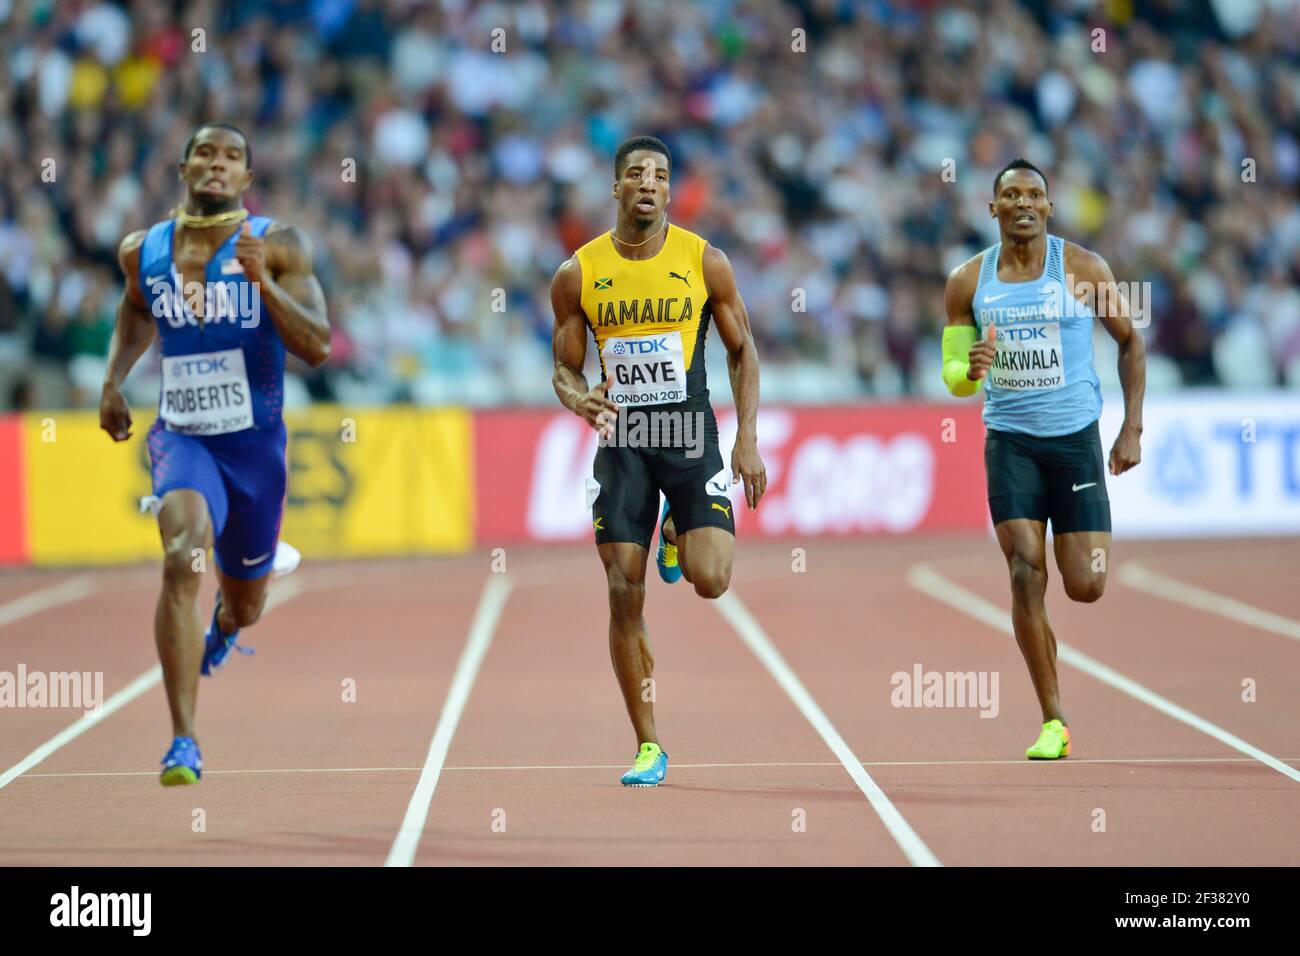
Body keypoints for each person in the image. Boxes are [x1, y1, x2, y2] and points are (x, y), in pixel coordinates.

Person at [99, 123, 330, 785]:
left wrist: (265, 284)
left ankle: (226, 627)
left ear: (247, 179)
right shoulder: (142, 250)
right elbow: (135, 311)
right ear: (183, 167)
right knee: (181, 554)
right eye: (205, 152)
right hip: (184, 437)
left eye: (232, 157)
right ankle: (183, 743)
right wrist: (113, 380)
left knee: (246, 602)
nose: (216, 164)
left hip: (255, 452)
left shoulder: (278, 244)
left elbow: (317, 345)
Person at [550, 136, 766, 786]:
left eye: (661, 175)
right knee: (623, 591)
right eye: (636, 174)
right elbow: (562, 366)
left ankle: (676, 528)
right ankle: (648, 744)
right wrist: (579, 398)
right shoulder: (578, 273)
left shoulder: (704, 261)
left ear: (669, 191)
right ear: (615, 189)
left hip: (689, 433)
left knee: (713, 580)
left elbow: (741, 350)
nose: (649, 183)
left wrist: (747, 437)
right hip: (621, 442)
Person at [941, 158, 1146, 759]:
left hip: (1075, 440)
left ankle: (1075, 578)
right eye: (1011, 194)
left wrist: (1131, 427)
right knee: (1026, 571)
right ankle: (1052, 719)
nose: (1023, 203)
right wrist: (967, 370)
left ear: (1049, 208)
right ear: (994, 208)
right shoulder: (967, 281)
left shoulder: (1082, 268)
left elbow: (1130, 342)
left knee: (1086, 584)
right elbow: (954, 371)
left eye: (1034, 194)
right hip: (1010, 442)